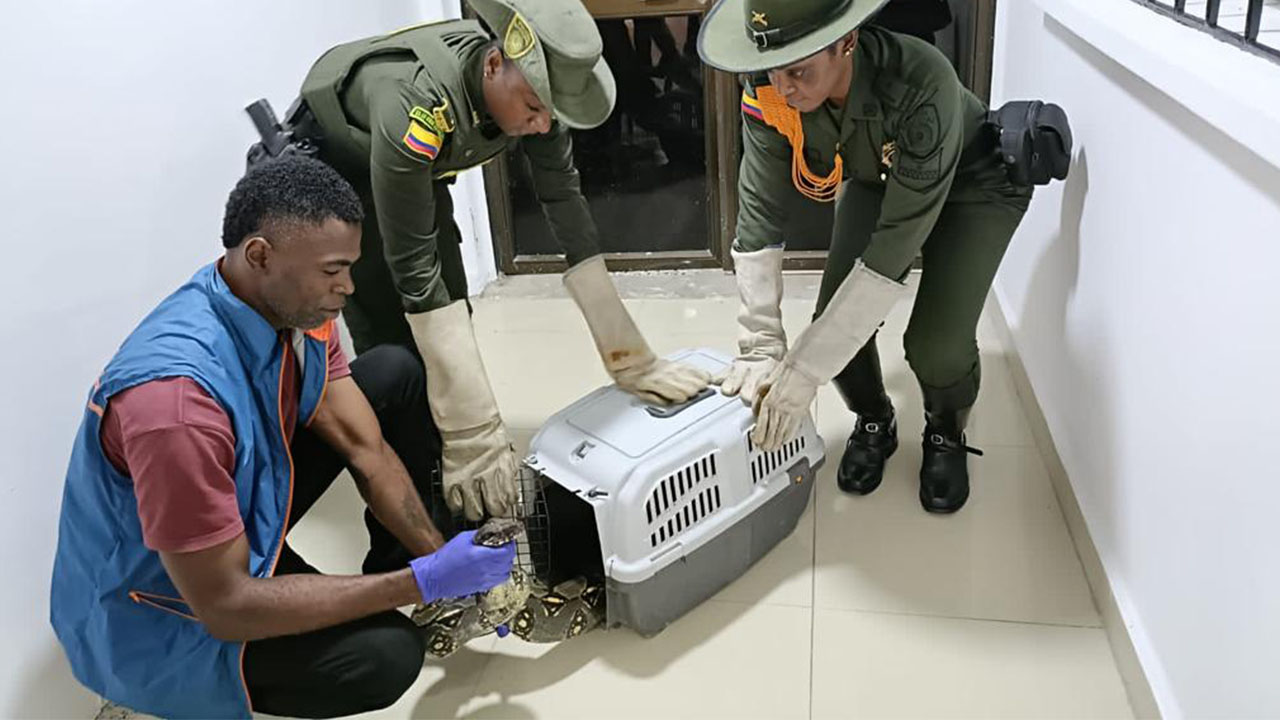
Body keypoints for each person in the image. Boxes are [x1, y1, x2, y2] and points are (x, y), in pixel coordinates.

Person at [50, 156, 515, 719]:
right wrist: (417, 583)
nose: (347, 287)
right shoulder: (174, 405)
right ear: (260, 255)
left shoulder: (295, 310)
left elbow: (368, 451)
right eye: (332, 270)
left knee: (390, 372)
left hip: (234, 519)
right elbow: (225, 606)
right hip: (161, 612)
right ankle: (140, 701)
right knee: (386, 657)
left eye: (350, 266)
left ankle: (382, 578)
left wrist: (441, 563)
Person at [276, 0, 710, 523]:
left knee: (452, 307)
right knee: (397, 350)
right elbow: (412, 266)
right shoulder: (415, 105)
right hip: (341, 180)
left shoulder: (534, 93)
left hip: (416, 172)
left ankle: (452, 464)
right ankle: (415, 507)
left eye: (551, 110)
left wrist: (629, 357)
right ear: (492, 65)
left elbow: (565, 204)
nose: (542, 122)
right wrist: (472, 431)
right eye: (533, 106)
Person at [699, 0, 1034, 513]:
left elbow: (890, 255)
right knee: (833, 325)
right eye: (774, 69)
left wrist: (802, 374)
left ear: (846, 42)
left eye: (800, 70)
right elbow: (759, 209)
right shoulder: (769, 90)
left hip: (974, 184)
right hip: (878, 178)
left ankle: (945, 433)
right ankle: (875, 419)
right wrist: (761, 341)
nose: (785, 87)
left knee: (936, 346)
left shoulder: (921, 81)